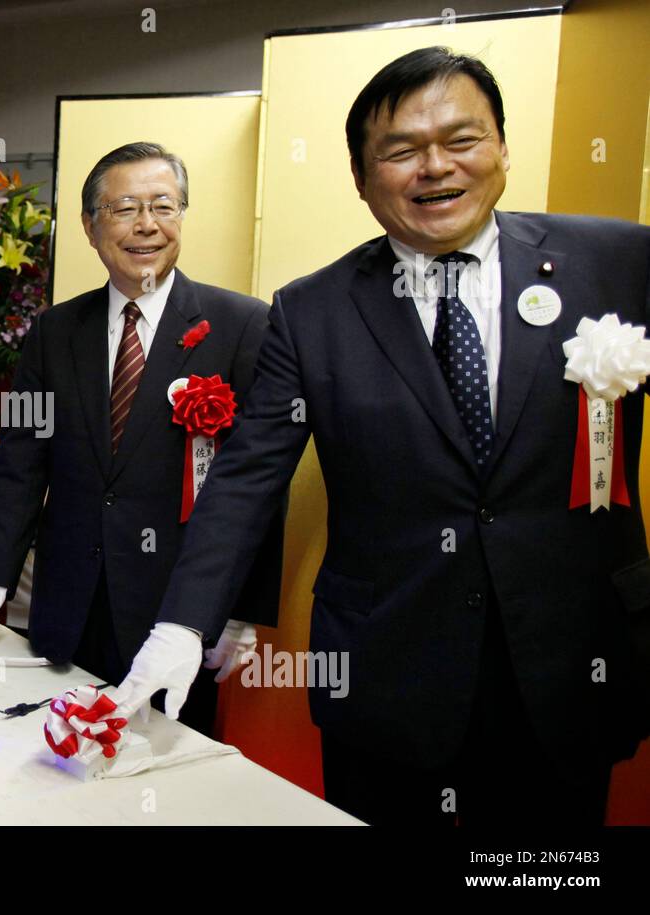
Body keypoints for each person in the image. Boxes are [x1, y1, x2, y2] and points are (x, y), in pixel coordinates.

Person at [116, 47, 650, 825]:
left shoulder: (618, 261)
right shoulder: (312, 310)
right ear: (364, 179)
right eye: (400, 151)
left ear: (503, 145)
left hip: (572, 665)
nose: (435, 168)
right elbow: (246, 479)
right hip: (389, 679)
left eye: (461, 139)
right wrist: (180, 625)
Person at [0, 142, 285, 734]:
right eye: (125, 207)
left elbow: (260, 483)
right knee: (56, 756)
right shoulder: (55, 331)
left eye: (164, 205)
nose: (147, 225)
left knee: (164, 771)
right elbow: (21, 462)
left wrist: (240, 611)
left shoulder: (243, 326)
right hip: (67, 603)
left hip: (178, 611)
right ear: (89, 225)